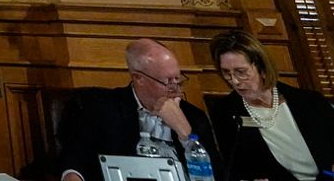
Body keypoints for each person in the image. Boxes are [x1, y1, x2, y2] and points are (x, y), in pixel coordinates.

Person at [207, 29, 334, 181]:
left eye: (241, 72)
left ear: (261, 67)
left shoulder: (310, 102)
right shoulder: (225, 112)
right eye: (227, 73)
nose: (234, 81)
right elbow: (234, 170)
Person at [58, 38, 222, 181]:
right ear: (138, 78)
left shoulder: (194, 117)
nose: (176, 89)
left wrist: (185, 134)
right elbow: (74, 160)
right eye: (167, 81)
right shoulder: (102, 108)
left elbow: (217, 175)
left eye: (178, 80)